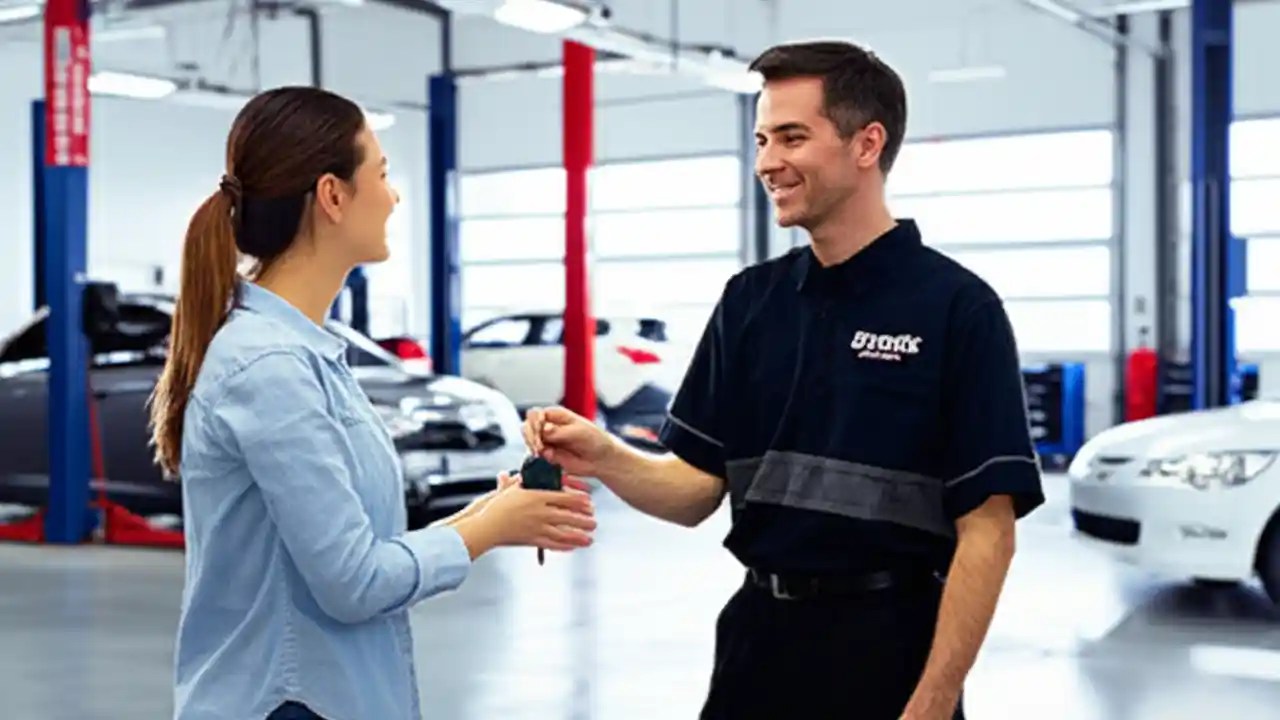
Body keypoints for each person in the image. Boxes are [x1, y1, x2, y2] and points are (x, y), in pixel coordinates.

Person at [523, 40, 1044, 720]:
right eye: (763, 138)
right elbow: (695, 492)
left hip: (889, 649)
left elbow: (989, 531)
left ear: (867, 143)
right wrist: (605, 454)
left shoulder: (956, 309)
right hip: (755, 645)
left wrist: (935, 698)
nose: (768, 162)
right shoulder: (750, 302)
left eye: (792, 137)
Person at [148, 86, 597, 720]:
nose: (393, 196)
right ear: (333, 196)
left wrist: (495, 509)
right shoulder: (270, 367)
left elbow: (360, 545)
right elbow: (354, 581)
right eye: (381, 174)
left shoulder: (306, 352)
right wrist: (488, 530)